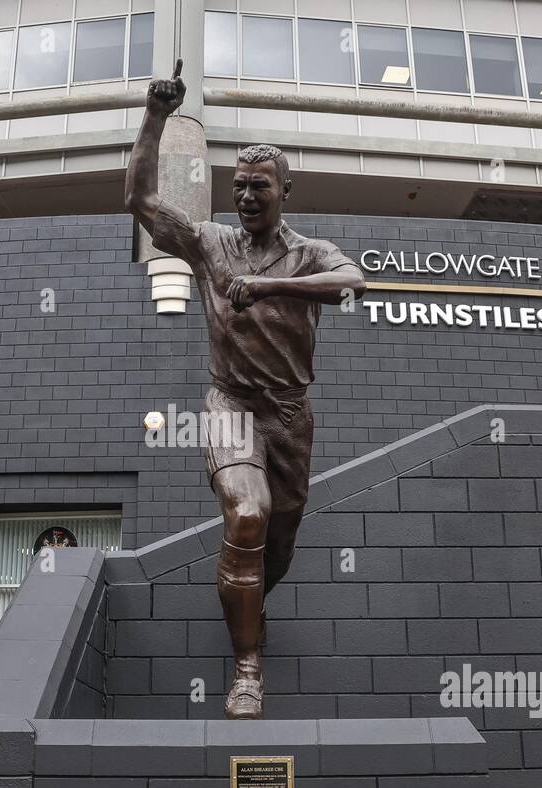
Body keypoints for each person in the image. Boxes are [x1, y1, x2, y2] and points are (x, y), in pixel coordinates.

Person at [125, 60, 366, 718]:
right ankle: (247, 669)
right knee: (248, 515)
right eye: (239, 186)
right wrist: (154, 117)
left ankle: (247, 598)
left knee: (278, 541)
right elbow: (142, 204)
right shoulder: (210, 242)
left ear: (285, 189)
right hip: (230, 405)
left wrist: (267, 286)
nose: (247, 196)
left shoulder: (312, 253)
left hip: (289, 416)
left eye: (260, 185)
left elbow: (355, 284)